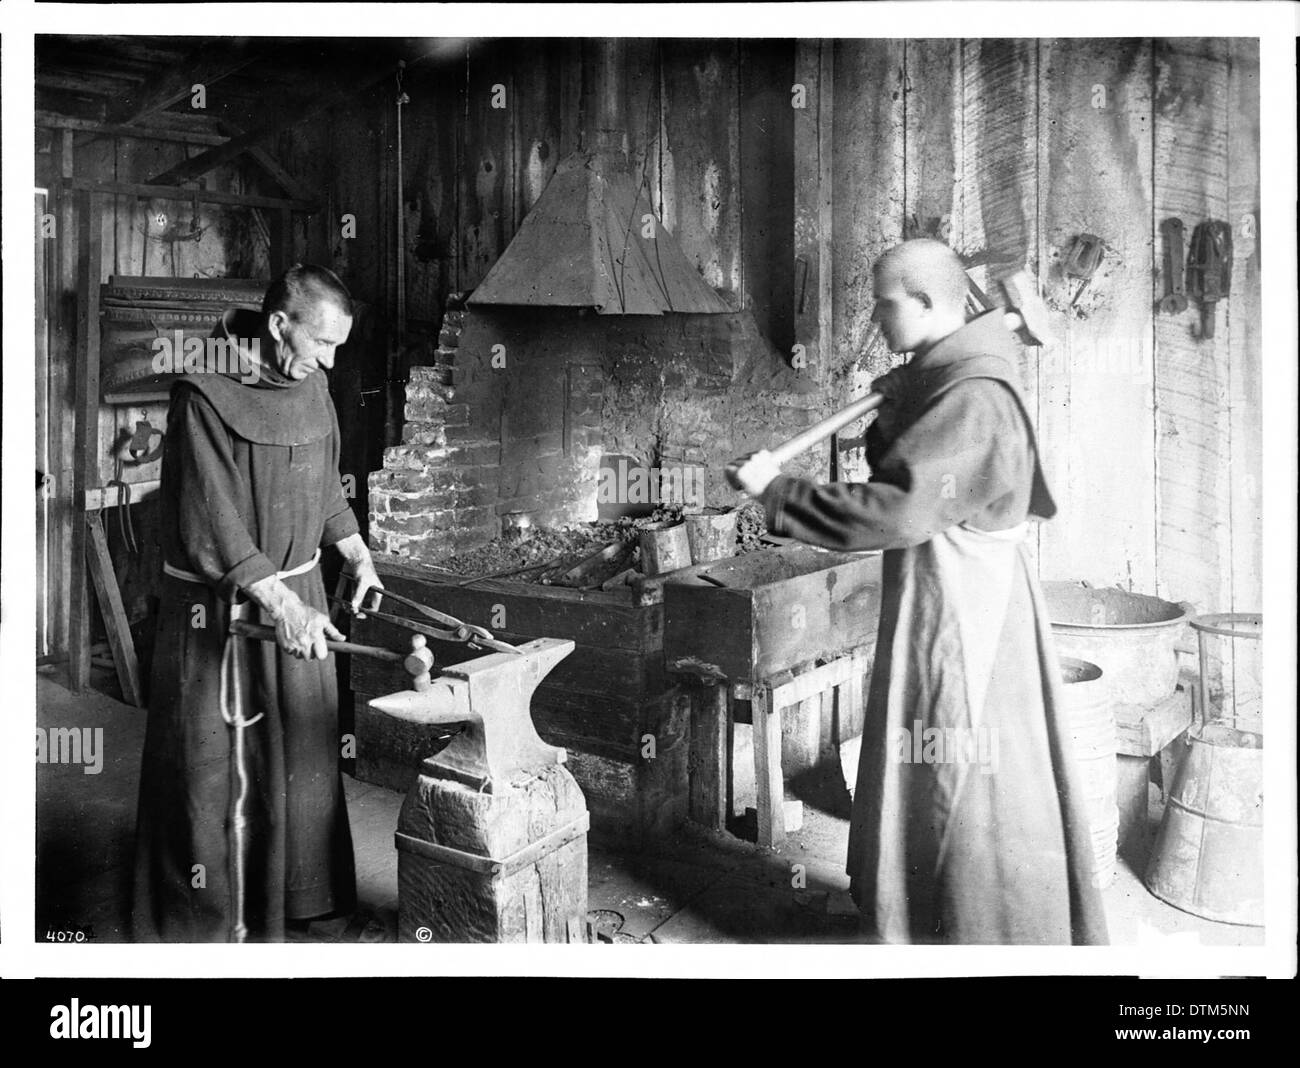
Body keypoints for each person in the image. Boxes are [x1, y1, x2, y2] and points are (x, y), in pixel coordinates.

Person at [727, 239, 1108, 946]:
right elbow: (906, 464)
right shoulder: (951, 379)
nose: (876, 318)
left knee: (964, 776)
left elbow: (895, 508)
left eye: (885, 303)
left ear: (928, 303)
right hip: (939, 592)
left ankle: (975, 934)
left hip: (968, 614)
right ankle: (907, 914)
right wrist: (902, 398)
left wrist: (779, 493)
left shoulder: (974, 397)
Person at [133, 264, 384, 943]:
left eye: (338, 346)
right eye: (322, 344)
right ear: (279, 325)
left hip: (298, 595)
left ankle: (304, 900)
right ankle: (210, 923)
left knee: (303, 760)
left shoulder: (314, 385)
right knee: (211, 773)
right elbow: (210, 522)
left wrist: (356, 552)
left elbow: (326, 483)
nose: (330, 361)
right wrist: (280, 604)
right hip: (220, 610)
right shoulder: (204, 395)